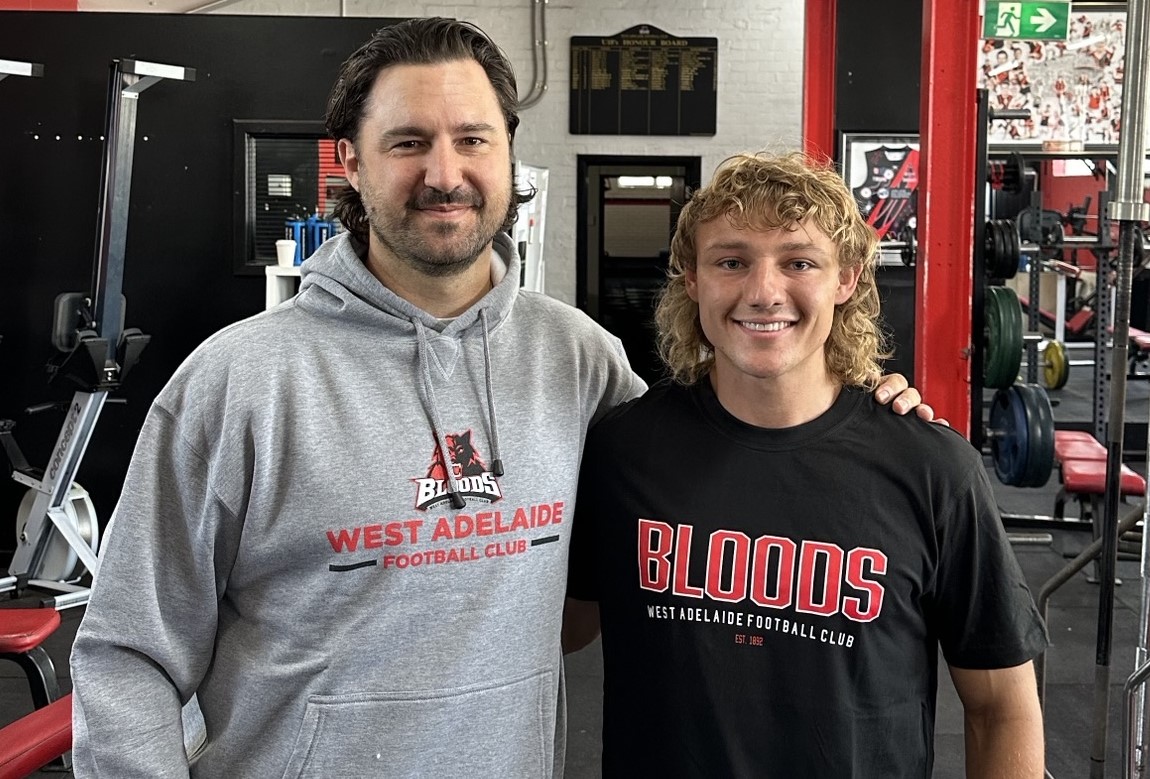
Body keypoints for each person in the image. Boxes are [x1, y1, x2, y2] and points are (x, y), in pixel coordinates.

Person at [69, 20, 928, 777]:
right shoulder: (236, 382)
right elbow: (126, 656)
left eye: (472, 139)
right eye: (408, 142)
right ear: (351, 163)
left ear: (509, 156)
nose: (445, 173)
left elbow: (720, 453)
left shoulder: (578, 357)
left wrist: (854, 409)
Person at [565, 152, 1047, 777]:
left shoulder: (934, 469)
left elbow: (1002, 707)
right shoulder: (621, 453)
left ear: (845, 279)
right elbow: (559, 629)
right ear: (692, 280)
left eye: (799, 262)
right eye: (731, 261)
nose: (764, 293)